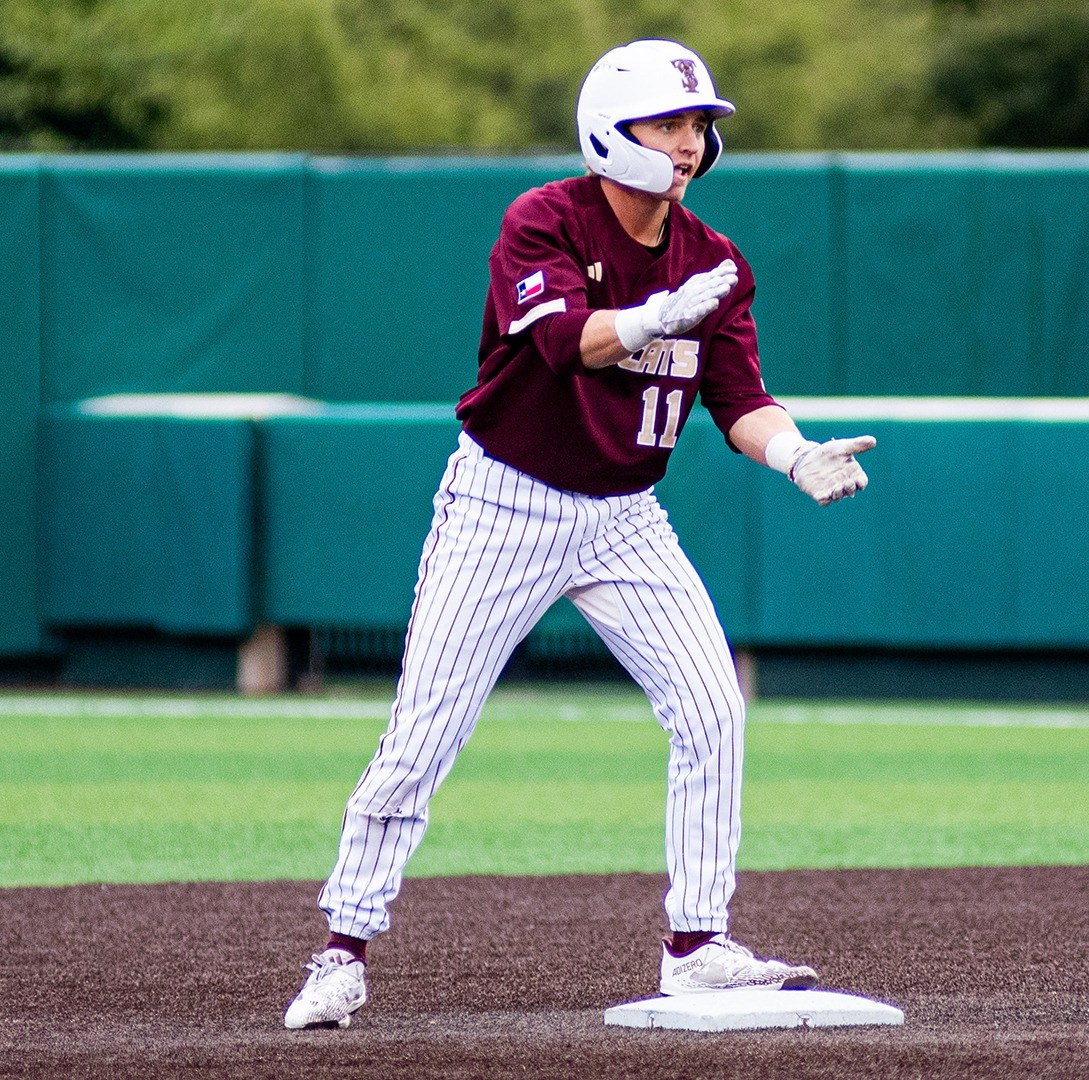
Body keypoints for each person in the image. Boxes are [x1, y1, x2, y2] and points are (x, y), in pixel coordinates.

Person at [282, 38, 877, 1030]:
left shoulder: (716, 260)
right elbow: (564, 342)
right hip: (503, 501)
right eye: (671, 122)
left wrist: (795, 454)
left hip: (624, 517)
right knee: (424, 734)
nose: (690, 143)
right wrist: (647, 319)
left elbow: (739, 402)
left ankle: (696, 944)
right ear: (614, 131)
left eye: (699, 125)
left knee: (712, 709)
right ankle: (343, 947)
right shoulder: (545, 218)